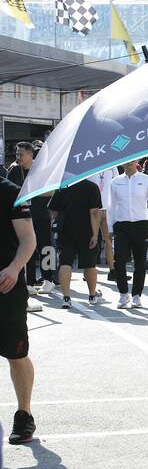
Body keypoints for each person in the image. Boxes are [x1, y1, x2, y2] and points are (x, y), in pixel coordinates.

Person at [1, 173, 37, 444]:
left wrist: (14, 269)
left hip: (7, 287)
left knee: (17, 354)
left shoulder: (11, 192)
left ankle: (24, 415)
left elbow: (28, 240)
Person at [106, 158, 148, 308]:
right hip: (121, 226)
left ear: (136, 160)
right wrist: (110, 228)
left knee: (140, 262)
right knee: (119, 261)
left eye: (131, 160)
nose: (128, 162)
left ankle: (136, 295)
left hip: (141, 225)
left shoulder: (146, 180)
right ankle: (123, 295)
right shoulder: (115, 181)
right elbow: (110, 207)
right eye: (126, 160)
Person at [6, 142, 54, 306]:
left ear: (30, 155)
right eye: (17, 154)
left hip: (41, 214)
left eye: (21, 154)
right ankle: (30, 282)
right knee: (27, 248)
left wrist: (33, 191)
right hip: (22, 216)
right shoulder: (13, 170)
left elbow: (53, 191)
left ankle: (49, 279)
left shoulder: (42, 169)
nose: (18, 157)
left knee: (46, 247)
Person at [48, 176, 102, 309]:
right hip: (87, 230)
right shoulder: (92, 187)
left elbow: (54, 211)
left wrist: (54, 224)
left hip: (65, 230)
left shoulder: (62, 188)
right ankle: (92, 295)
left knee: (65, 263)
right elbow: (94, 213)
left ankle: (66, 298)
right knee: (89, 264)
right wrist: (95, 234)